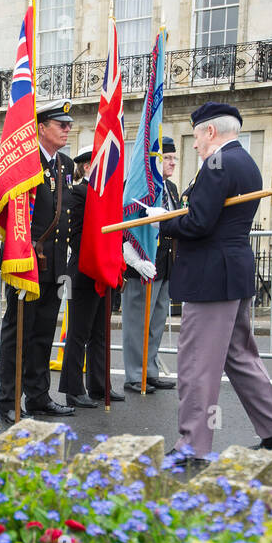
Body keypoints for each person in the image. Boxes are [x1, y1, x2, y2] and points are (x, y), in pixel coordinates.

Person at [166, 102, 272, 463]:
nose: (194, 145)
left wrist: (163, 221)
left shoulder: (216, 163)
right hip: (234, 271)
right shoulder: (247, 162)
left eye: (195, 136)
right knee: (239, 355)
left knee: (197, 364)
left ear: (210, 131)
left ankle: (192, 446)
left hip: (210, 277)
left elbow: (197, 223)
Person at [0, 103, 77, 425]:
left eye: (69, 125)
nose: (67, 129)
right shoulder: (25, 166)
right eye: (61, 124)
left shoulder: (64, 165)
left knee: (44, 333)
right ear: (41, 127)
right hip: (27, 262)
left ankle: (38, 395)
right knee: (19, 334)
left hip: (55, 264)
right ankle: (9, 402)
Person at [57, 149, 126, 408]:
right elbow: (74, 235)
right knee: (78, 332)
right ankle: (73, 389)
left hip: (104, 270)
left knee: (101, 333)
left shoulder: (104, 196)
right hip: (85, 270)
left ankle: (100, 385)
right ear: (87, 167)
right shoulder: (79, 193)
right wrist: (97, 257)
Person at [122, 136, 179, 393]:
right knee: (137, 322)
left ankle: (150, 370)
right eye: (167, 158)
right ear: (154, 160)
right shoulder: (137, 188)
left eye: (174, 158)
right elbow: (126, 228)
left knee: (156, 321)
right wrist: (135, 260)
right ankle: (135, 375)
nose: (172, 163)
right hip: (142, 263)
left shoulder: (172, 189)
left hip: (165, 263)